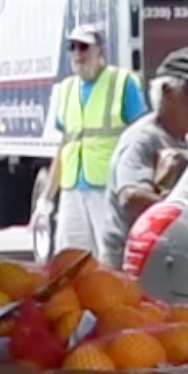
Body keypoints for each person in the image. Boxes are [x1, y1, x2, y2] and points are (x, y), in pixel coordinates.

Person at [106, 47, 188, 265]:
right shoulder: (143, 138)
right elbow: (131, 199)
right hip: (126, 267)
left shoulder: (178, 137)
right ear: (167, 91)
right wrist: (186, 211)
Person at [45, 25, 146, 265]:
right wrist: (45, 198)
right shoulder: (66, 89)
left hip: (108, 190)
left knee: (111, 263)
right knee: (70, 263)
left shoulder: (123, 83)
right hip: (72, 191)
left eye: (84, 47)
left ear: (100, 50)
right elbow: (64, 145)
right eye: (72, 47)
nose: (77, 54)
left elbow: (141, 137)